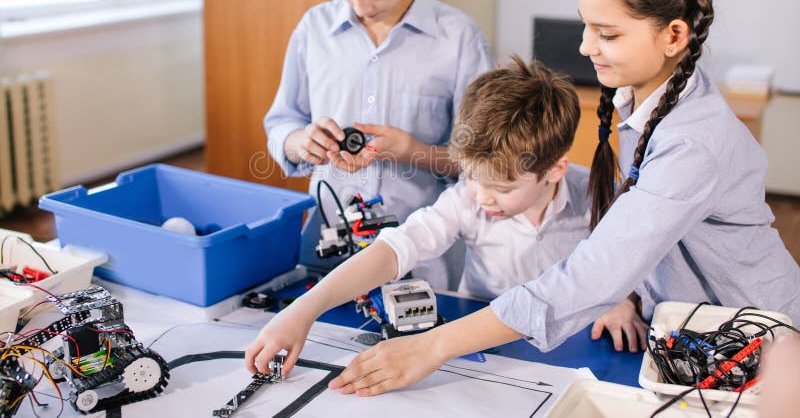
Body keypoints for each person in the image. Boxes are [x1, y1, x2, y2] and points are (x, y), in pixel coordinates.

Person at [316, 0, 800, 397]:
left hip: (756, 340)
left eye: (606, 33)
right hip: (699, 330)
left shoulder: (695, 142)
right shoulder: (647, 103)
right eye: (586, 25)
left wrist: (433, 346)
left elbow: (593, 274)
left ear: (674, 35)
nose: (586, 46)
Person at [247, 57, 648, 377]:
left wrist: (620, 298)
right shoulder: (466, 200)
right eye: (472, 177)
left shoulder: (600, 194)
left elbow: (636, 260)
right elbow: (394, 249)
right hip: (479, 338)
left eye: (503, 189)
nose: (481, 196)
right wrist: (302, 311)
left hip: (573, 345)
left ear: (554, 171)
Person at [263, 0, 493, 285]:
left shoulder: (459, 40)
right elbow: (281, 121)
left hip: (423, 262)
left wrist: (414, 152)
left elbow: (484, 161)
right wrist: (299, 141)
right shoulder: (313, 30)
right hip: (327, 247)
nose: (361, 8)